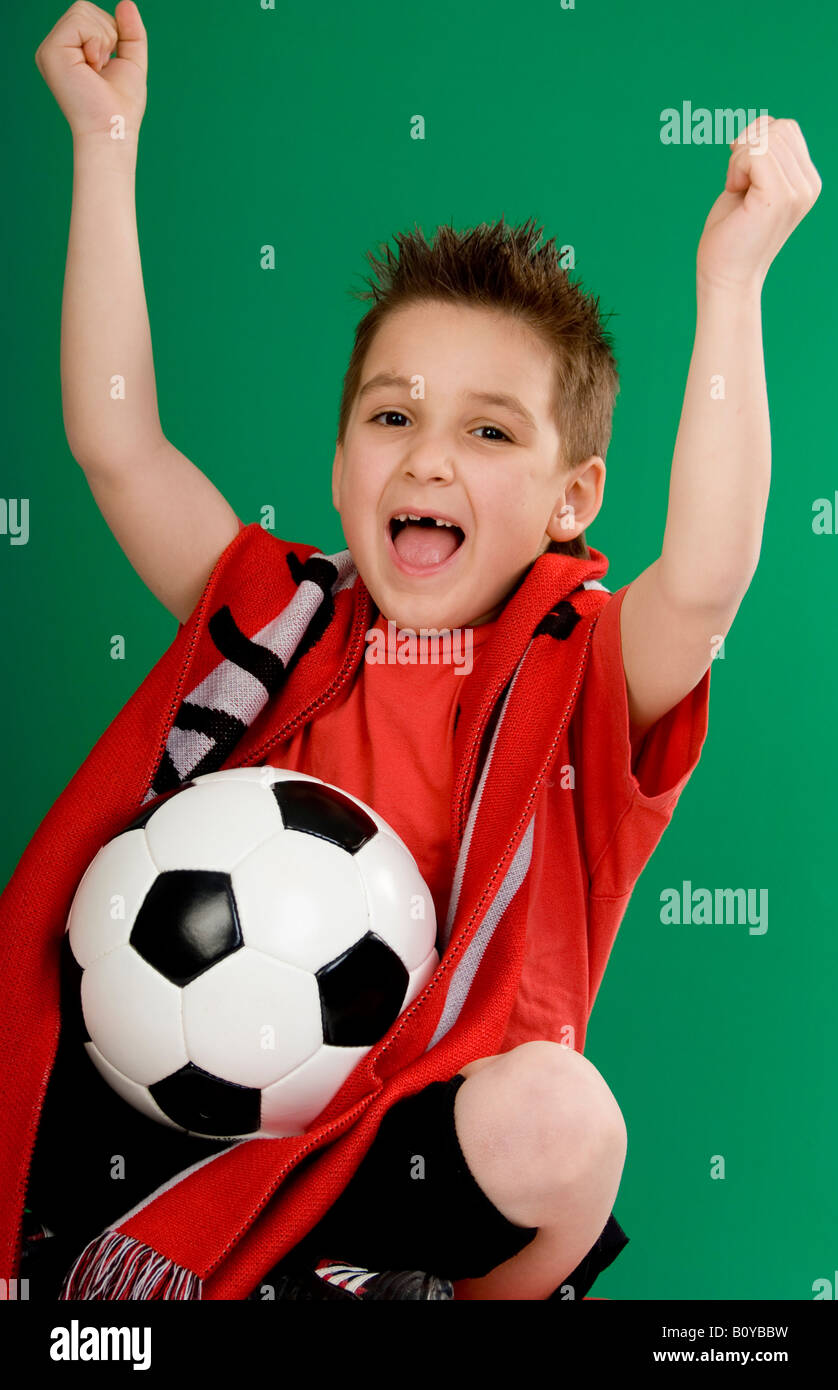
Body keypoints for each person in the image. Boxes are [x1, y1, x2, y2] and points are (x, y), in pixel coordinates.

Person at [12, 1, 821, 1302]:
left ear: (572, 501)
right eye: (392, 415)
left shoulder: (585, 673)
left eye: (491, 433)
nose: (428, 455)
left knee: (565, 1119)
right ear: (341, 466)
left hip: (409, 1150)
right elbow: (119, 448)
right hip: (173, 1117)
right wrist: (105, 149)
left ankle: (414, 1297)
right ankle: (187, 1265)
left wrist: (731, 285)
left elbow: (710, 576)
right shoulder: (278, 620)